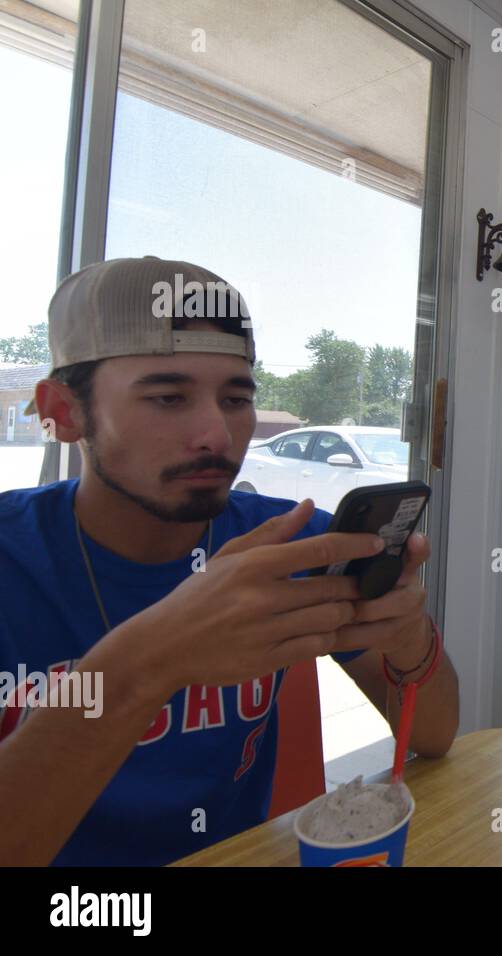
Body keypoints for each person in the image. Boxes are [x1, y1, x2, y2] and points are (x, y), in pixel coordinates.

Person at [0, 257, 459, 866]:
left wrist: (406, 635)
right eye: (168, 397)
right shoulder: (15, 559)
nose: (217, 434)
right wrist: (150, 659)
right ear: (64, 409)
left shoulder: (290, 545)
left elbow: (435, 735)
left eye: (236, 398)